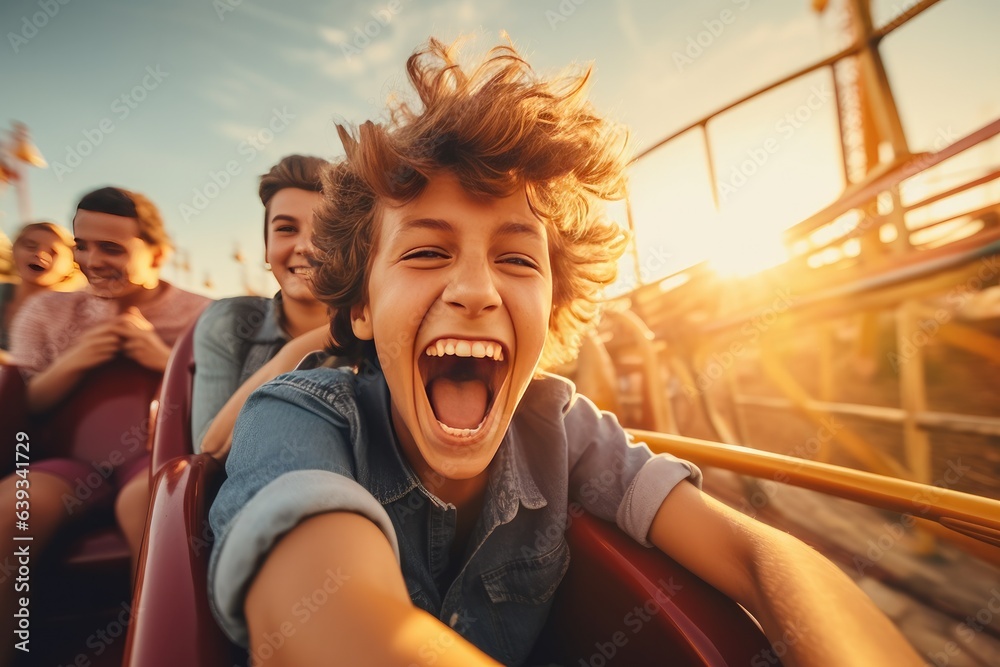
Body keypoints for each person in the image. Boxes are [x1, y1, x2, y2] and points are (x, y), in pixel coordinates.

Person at [207, 39, 924, 666]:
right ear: (361, 307)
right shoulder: (299, 420)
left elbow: (761, 556)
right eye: (427, 251)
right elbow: (338, 625)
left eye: (518, 260)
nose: (477, 289)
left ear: (551, 307)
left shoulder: (562, 430)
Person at [0, 186, 210, 663]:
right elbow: (24, 401)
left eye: (112, 248)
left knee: (156, 512)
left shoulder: (202, 314)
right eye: (83, 245)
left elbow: (217, 404)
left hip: (154, 457)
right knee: (12, 507)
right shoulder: (48, 310)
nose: (91, 259)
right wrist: (76, 361)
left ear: (155, 255)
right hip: (68, 463)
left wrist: (165, 360)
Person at [192, 154, 337, 461]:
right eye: (286, 229)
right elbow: (209, 450)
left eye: (325, 231)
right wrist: (302, 350)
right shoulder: (229, 322)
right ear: (266, 247)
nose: (305, 246)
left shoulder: (381, 332)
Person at [0, 221, 85, 360]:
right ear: (14, 250)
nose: (39, 254)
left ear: (71, 264)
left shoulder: (76, 314)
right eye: (30, 246)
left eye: (53, 252)